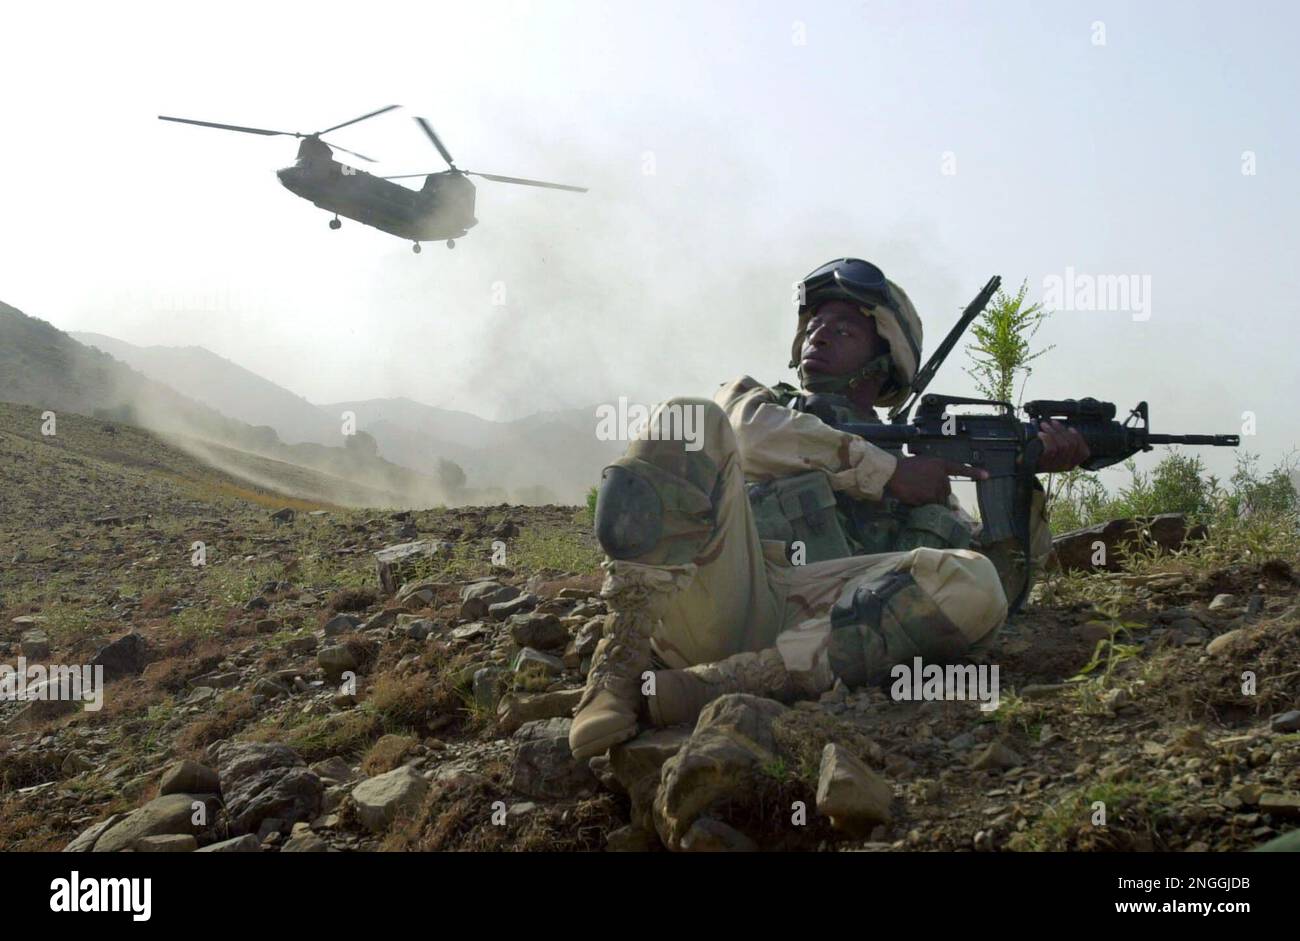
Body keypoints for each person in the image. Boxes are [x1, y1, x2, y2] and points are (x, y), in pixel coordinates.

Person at [569, 258, 1090, 760]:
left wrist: (1023, 477)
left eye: (843, 331)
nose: (817, 335)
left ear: (882, 363)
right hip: (735, 599)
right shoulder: (758, 407)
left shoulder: (927, 489)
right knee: (684, 418)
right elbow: (746, 435)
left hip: (827, 634)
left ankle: (706, 688)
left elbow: (999, 589)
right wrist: (884, 473)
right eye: (815, 325)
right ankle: (617, 669)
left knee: (973, 581)